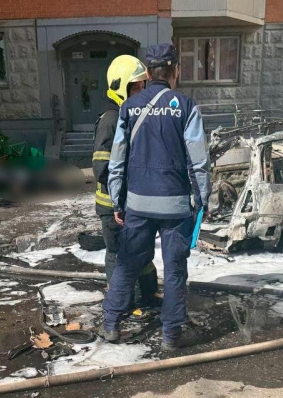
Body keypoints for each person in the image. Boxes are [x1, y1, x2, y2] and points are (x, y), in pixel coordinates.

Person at [100, 43, 211, 350]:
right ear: (177, 70)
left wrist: (116, 201)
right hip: (175, 207)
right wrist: (202, 201)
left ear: (147, 73)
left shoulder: (129, 107)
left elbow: (117, 160)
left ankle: (110, 323)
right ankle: (171, 335)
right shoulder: (186, 106)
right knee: (174, 270)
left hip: (137, 203)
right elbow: (199, 162)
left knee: (127, 263)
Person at [92, 55, 159, 305]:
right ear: (121, 87)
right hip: (113, 207)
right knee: (118, 255)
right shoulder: (111, 120)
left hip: (132, 204)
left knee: (141, 253)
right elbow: (101, 167)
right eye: (136, 87)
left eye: (143, 86)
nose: (141, 91)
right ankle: (121, 302)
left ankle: (149, 295)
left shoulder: (130, 116)